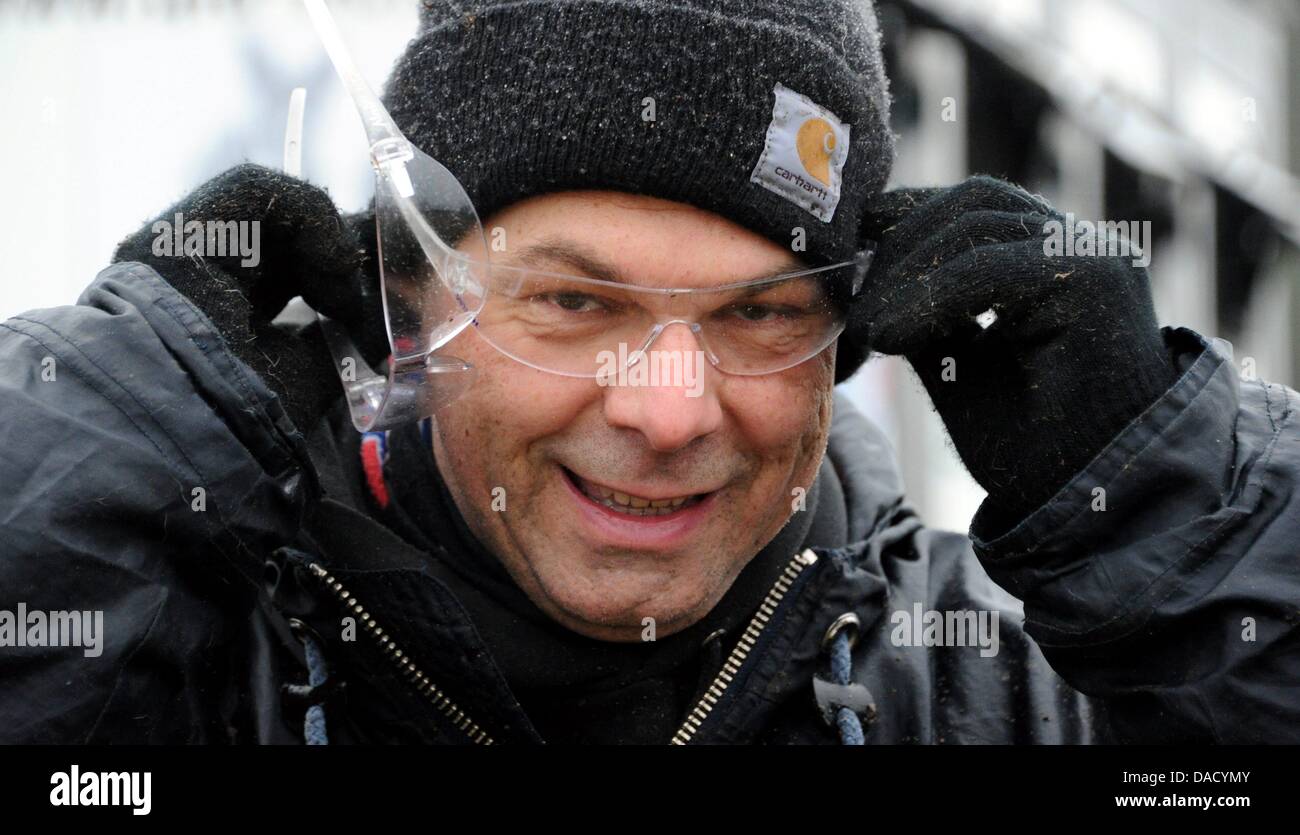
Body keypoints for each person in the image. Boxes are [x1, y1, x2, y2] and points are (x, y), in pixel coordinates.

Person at [0, 0, 1296, 745]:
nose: (669, 411)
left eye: (758, 316)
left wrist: (1174, 505)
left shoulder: (988, 688)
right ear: (404, 300)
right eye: (571, 301)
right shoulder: (175, 647)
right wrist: (95, 446)